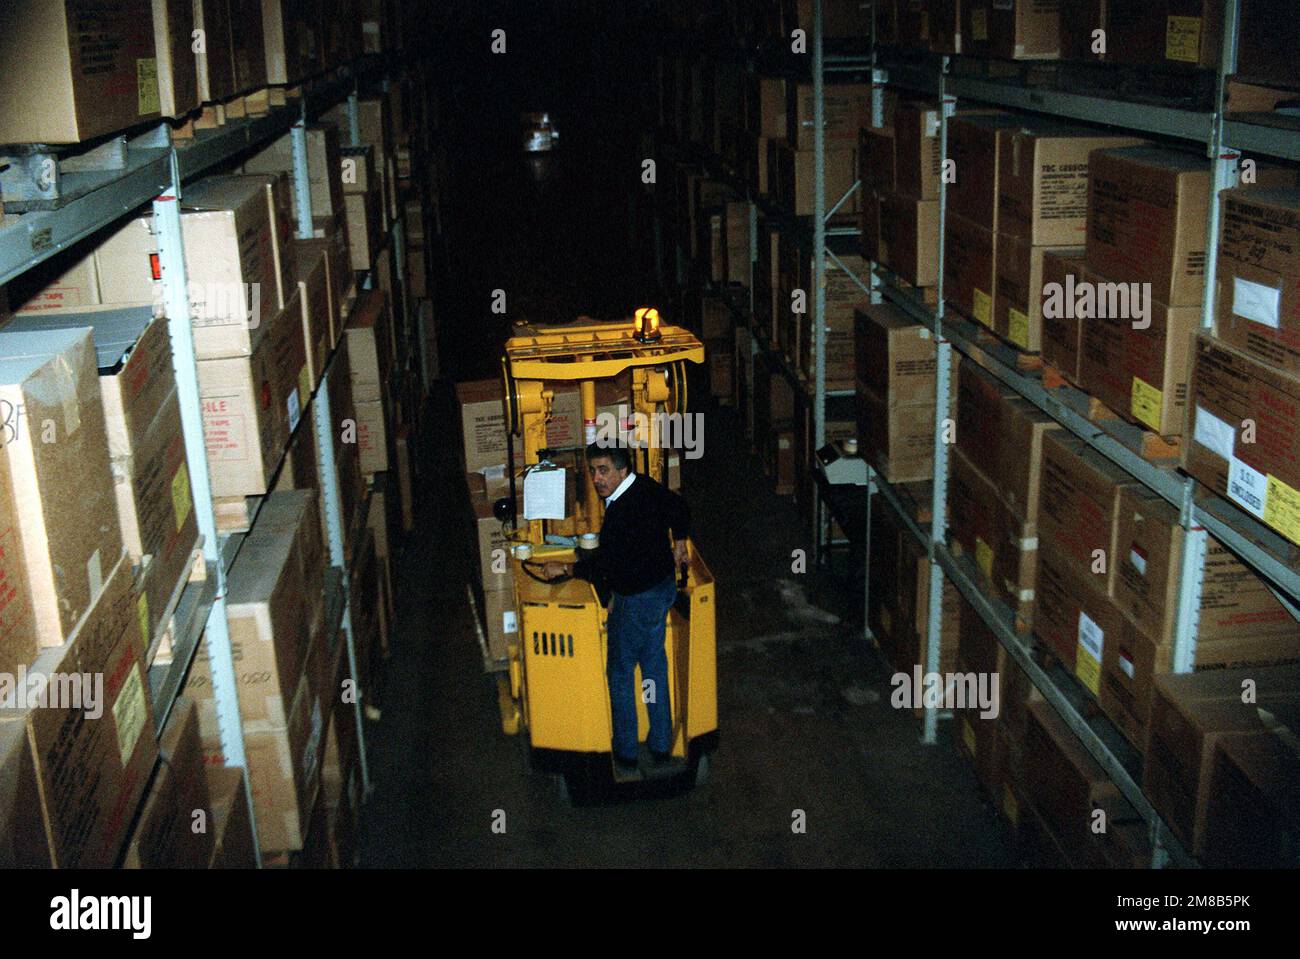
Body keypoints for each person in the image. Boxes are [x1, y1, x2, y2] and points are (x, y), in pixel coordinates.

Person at [543, 443, 690, 778]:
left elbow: (607, 565)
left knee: (621, 674)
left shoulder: (622, 512)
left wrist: (565, 570)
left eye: (604, 470)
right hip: (661, 590)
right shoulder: (644, 485)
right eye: (593, 471)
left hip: (638, 599)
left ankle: (625, 754)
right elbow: (679, 507)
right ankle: (660, 745)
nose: (597, 478)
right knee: (653, 667)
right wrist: (679, 542)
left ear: (622, 470)